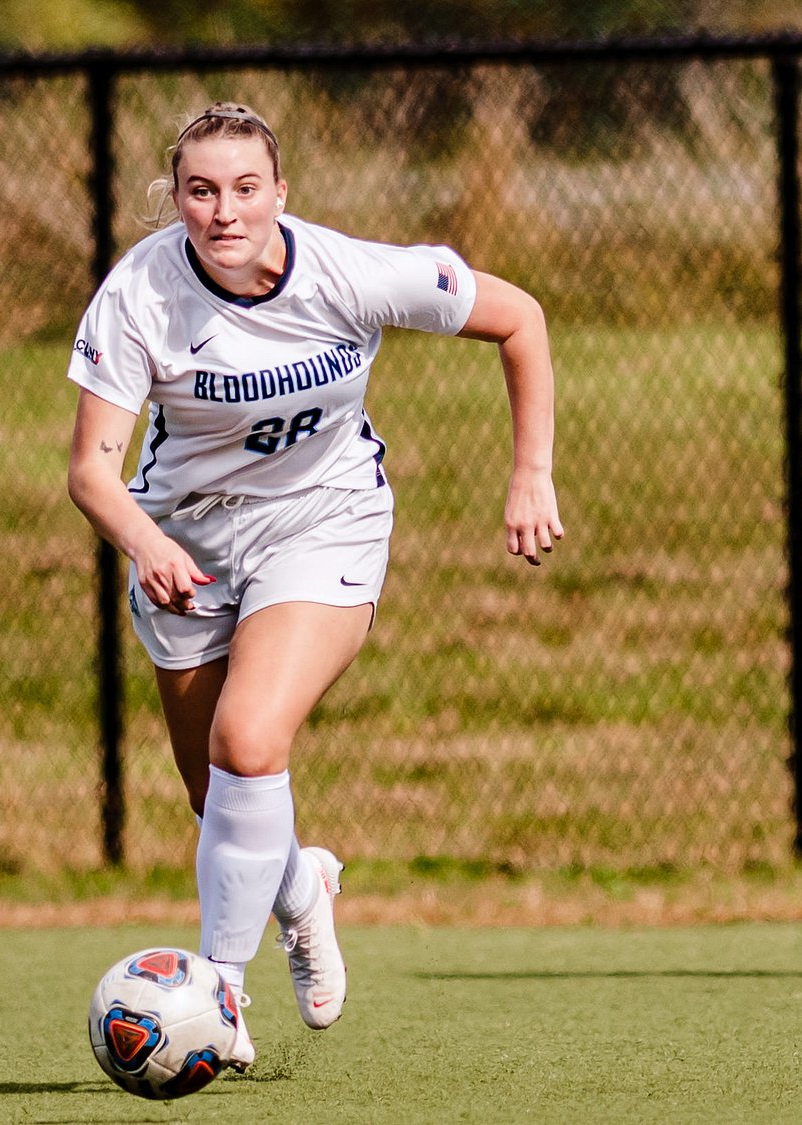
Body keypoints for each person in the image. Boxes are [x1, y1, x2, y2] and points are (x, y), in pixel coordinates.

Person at [66, 101, 562, 1064]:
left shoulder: (349, 272)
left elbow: (520, 319)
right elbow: (92, 468)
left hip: (325, 520)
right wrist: (143, 541)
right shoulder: (139, 295)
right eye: (201, 191)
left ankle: (220, 993)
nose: (224, 211)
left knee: (249, 739)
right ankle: (303, 889)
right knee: (221, 796)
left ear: (280, 194)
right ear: (175, 200)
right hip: (186, 544)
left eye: (246, 188)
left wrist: (530, 470)